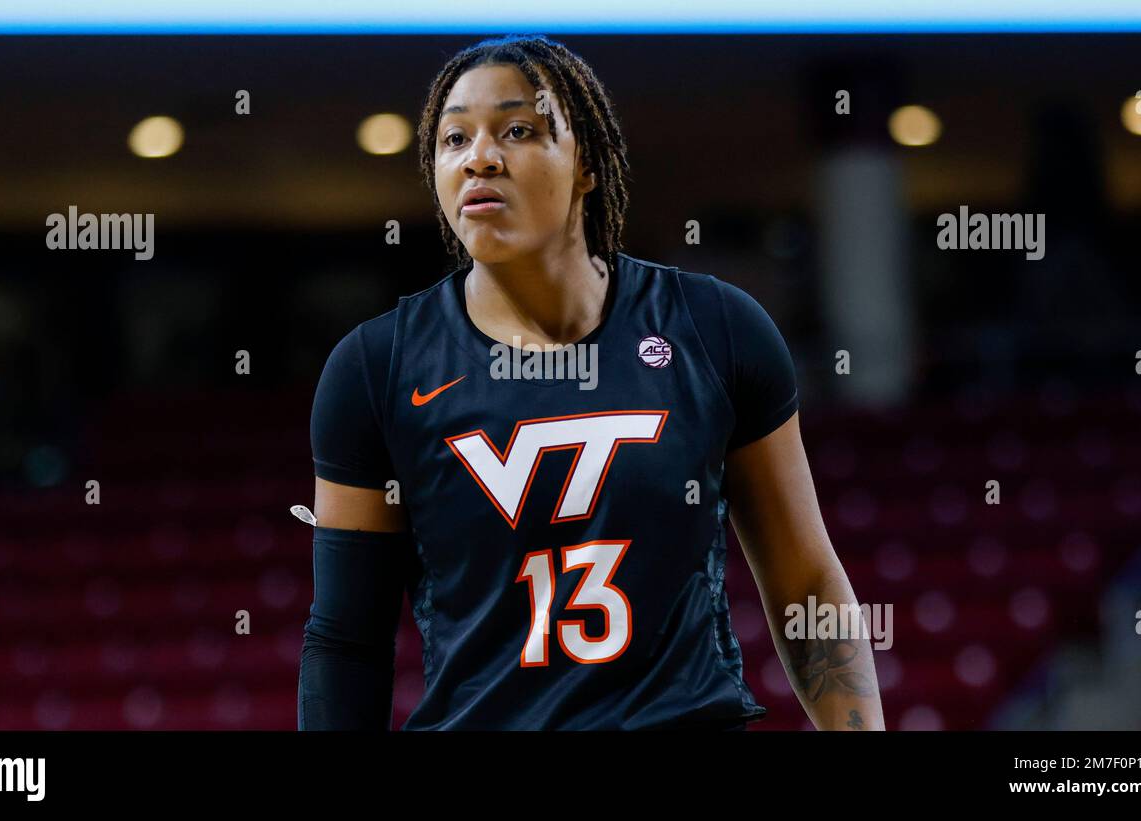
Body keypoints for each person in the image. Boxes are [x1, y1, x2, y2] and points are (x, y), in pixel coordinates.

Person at [299, 34, 883, 731]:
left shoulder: (715, 328)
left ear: (587, 165)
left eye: (517, 129)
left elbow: (806, 585)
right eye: (454, 138)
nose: (479, 157)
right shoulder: (375, 369)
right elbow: (347, 639)